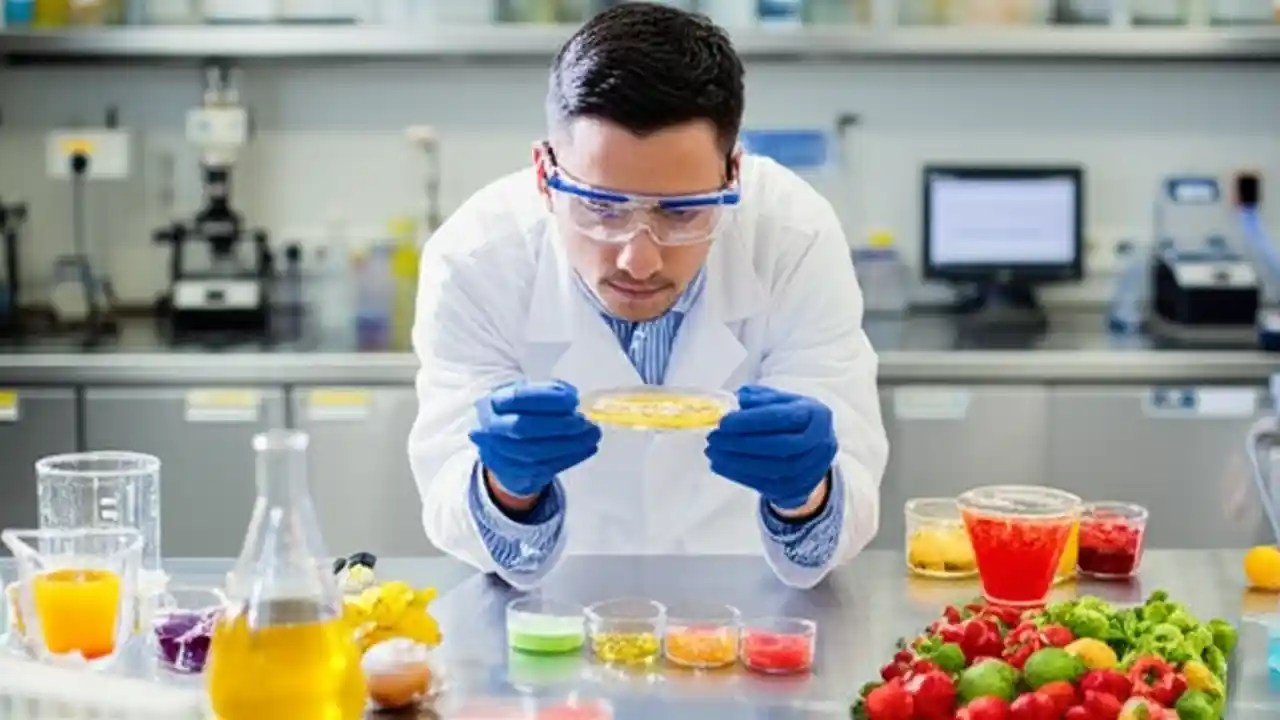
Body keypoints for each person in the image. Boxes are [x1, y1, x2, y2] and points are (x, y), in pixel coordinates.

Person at [408, 2, 888, 589]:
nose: (640, 257)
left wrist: (807, 494)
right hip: (552, 620)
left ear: (732, 175)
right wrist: (504, 488)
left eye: (682, 211)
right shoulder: (476, 258)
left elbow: (849, 496)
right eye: (601, 207)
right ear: (544, 174)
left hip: (748, 615)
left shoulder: (794, 237)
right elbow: (449, 502)